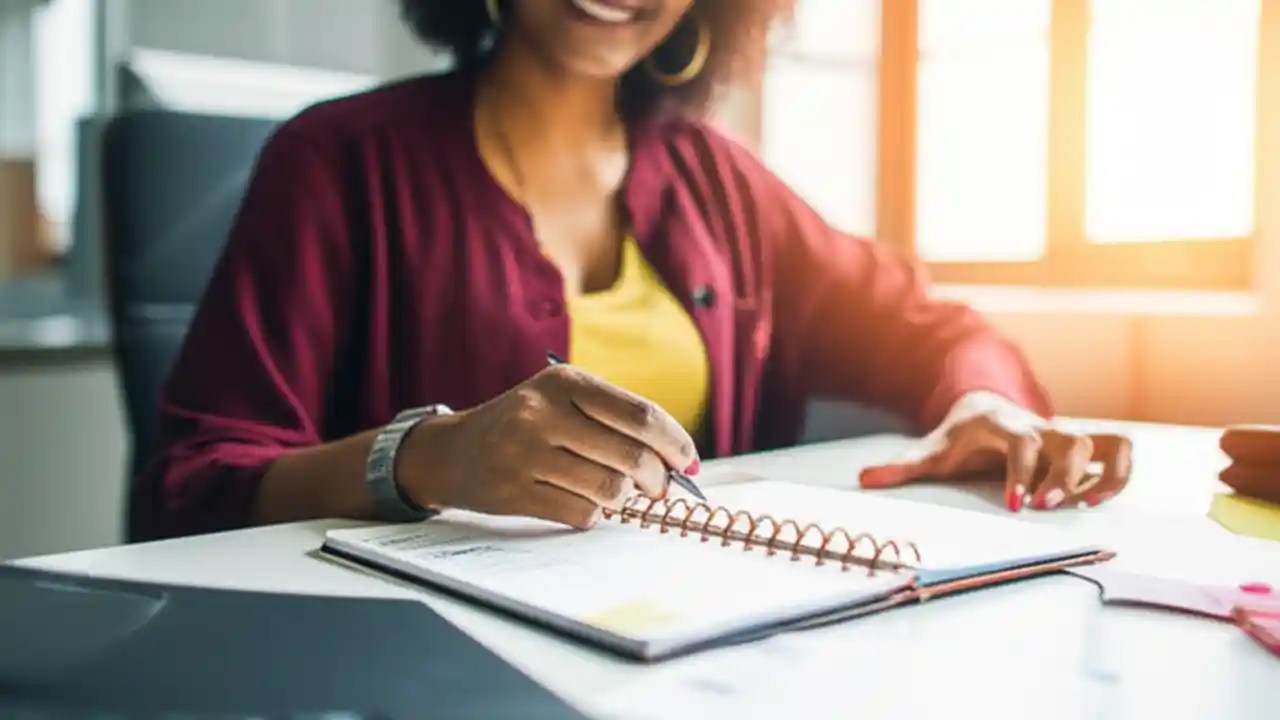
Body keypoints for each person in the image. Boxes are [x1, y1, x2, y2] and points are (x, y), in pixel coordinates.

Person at [131, 0, 1131, 541]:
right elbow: (185, 488)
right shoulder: (337, 162)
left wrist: (988, 408)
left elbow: (943, 333)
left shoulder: (723, 186)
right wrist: (425, 458)